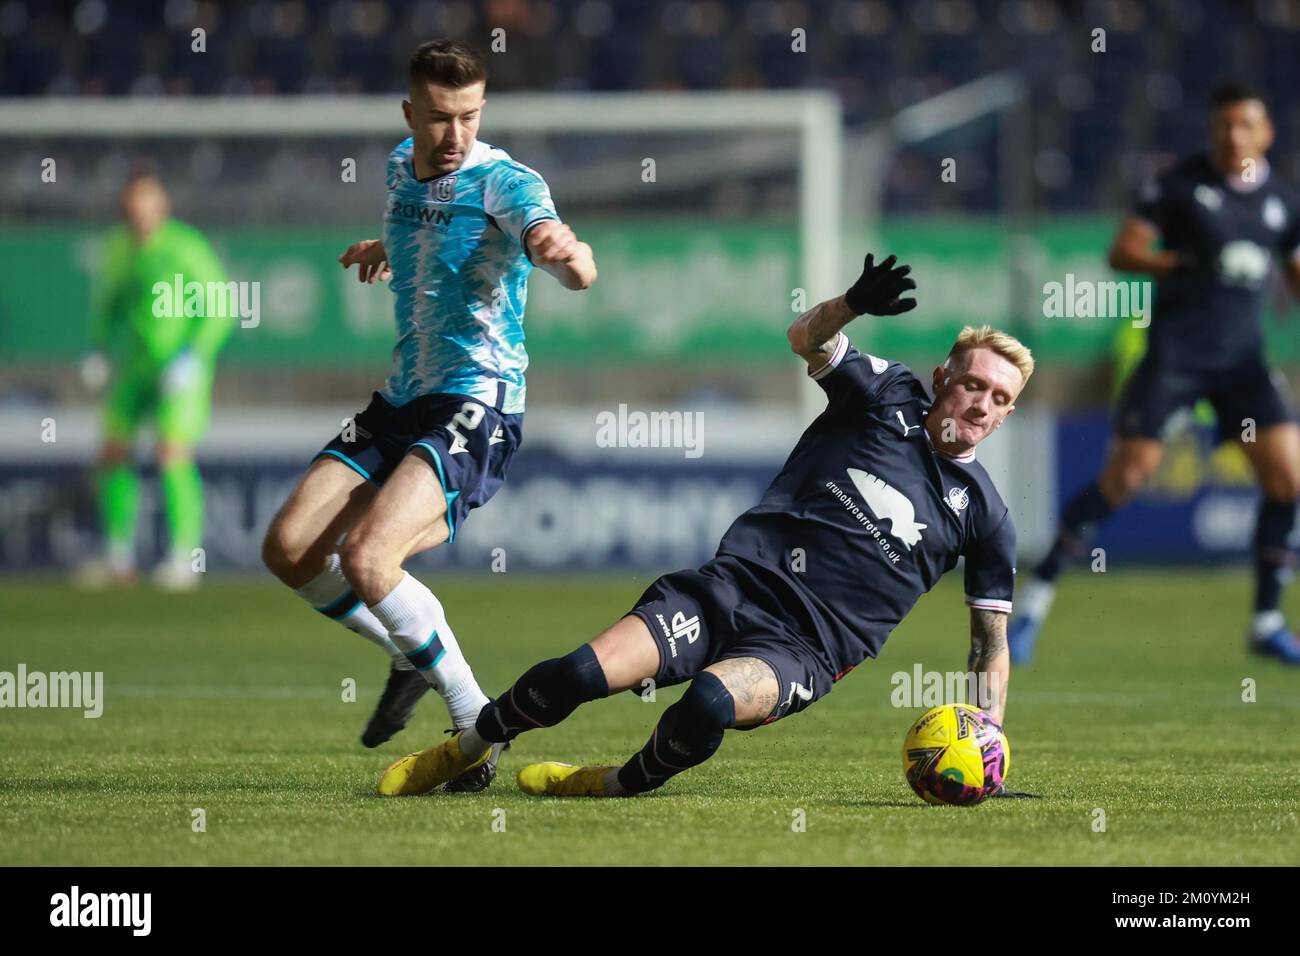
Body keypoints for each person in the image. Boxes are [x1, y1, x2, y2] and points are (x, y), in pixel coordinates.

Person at [374, 253, 1033, 799]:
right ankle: (467, 748)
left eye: (1001, 399)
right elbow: (806, 339)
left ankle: (614, 782)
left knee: (708, 705)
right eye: (974, 384)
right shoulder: (886, 393)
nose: (983, 404)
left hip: (804, 650)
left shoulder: (987, 517)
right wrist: (853, 301)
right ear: (945, 376)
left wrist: (989, 739)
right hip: (725, 591)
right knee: (577, 674)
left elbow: (989, 644)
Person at [260, 39, 597, 791]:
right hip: (403, 401)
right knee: (287, 549)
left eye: (470, 116)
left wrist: (564, 254)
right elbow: (430, 223)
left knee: (370, 559)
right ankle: (407, 652)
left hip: (478, 400)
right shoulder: (395, 166)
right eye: (441, 118)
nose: (455, 136)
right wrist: (389, 246)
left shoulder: (508, 182)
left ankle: (474, 726)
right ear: (411, 112)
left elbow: (558, 250)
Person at [1010, 82, 1300, 665]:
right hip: (1175, 357)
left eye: (1245, 124)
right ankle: (1035, 600)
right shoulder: (1178, 185)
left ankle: (1267, 619)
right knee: (1124, 480)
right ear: (1213, 131)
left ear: (1266, 133)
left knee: (1289, 479)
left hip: (1242, 362)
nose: (1234, 135)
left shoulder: (1283, 201)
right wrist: (1183, 261)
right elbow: (1123, 252)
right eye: (1224, 125)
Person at [80, 171, 233, 591]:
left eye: (147, 202)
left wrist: (192, 355)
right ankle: (116, 555)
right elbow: (107, 303)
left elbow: (220, 306)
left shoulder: (185, 247)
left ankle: (184, 557)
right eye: (133, 203)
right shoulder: (117, 248)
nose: (139, 211)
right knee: (113, 452)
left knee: (172, 453)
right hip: (131, 367)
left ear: (161, 205)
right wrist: (97, 347)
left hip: (178, 368)